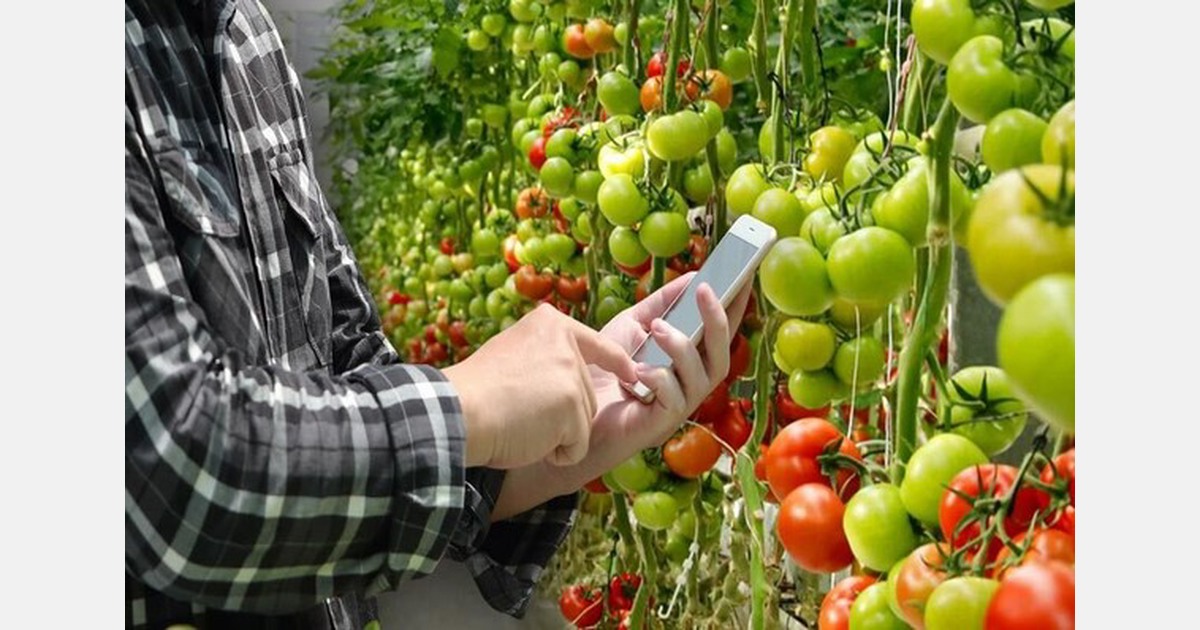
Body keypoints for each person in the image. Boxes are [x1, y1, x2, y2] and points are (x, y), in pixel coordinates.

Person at [125, 1, 751, 628]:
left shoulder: (245, 34)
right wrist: (469, 404)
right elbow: (171, 472)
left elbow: (346, 370)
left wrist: (566, 431)